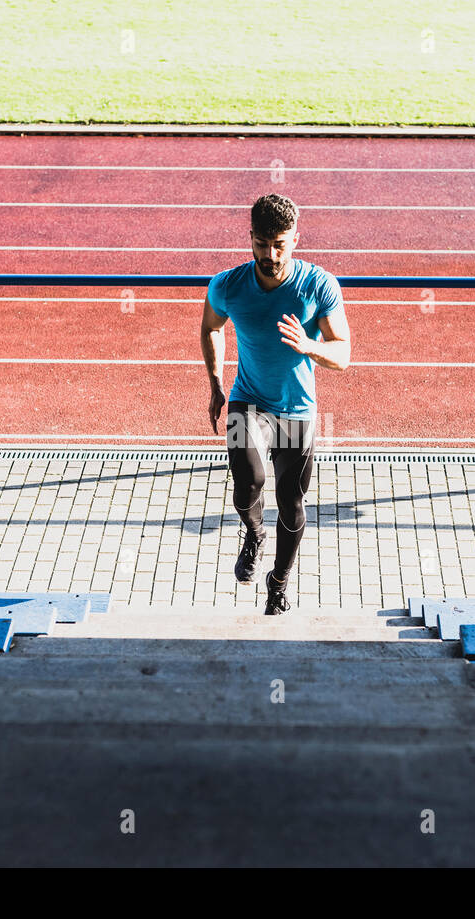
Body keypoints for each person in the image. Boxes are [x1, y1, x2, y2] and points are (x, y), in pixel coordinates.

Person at [200, 194, 351, 614]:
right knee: (246, 483)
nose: (271, 254)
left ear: (295, 241)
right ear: (250, 238)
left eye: (280, 244)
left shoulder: (319, 285)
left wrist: (309, 345)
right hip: (246, 399)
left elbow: (343, 355)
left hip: (297, 410)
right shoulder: (228, 285)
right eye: (263, 243)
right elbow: (211, 327)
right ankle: (253, 532)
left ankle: (278, 580)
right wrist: (215, 385)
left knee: (292, 501)